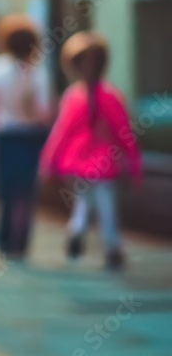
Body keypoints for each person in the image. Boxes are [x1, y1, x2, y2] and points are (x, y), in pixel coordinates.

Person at [39, 32, 141, 270]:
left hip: (77, 163)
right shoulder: (110, 96)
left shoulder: (73, 97)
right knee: (106, 205)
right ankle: (112, 245)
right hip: (103, 164)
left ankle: (77, 230)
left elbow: (60, 133)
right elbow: (125, 133)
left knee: (83, 201)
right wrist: (134, 163)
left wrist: (48, 162)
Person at [0, 15, 53, 259]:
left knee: (5, 188)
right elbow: (43, 112)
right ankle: (20, 240)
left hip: (4, 134)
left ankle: (4, 236)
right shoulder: (37, 73)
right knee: (26, 191)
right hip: (31, 136)